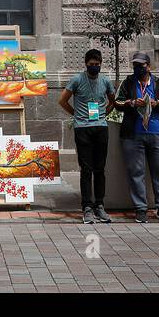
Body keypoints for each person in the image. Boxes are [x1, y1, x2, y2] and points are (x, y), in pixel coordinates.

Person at [115, 51, 159, 224]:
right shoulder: (128, 82)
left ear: (148, 66)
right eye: (135, 66)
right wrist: (132, 102)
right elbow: (117, 102)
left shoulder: (158, 83)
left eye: (141, 66)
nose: (138, 69)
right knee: (136, 173)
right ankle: (140, 209)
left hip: (157, 134)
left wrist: (157, 103)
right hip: (133, 135)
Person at [59, 48, 116, 224]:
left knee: (100, 169)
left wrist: (103, 114)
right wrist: (76, 114)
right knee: (86, 169)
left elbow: (113, 101)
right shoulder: (77, 80)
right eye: (92, 65)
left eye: (97, 65)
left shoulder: (105, 81)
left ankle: (100, 205)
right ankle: (87, 207)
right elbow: (62, 100)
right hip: (82, 128)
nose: (95, 68)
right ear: (86, 64)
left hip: (100, 128)